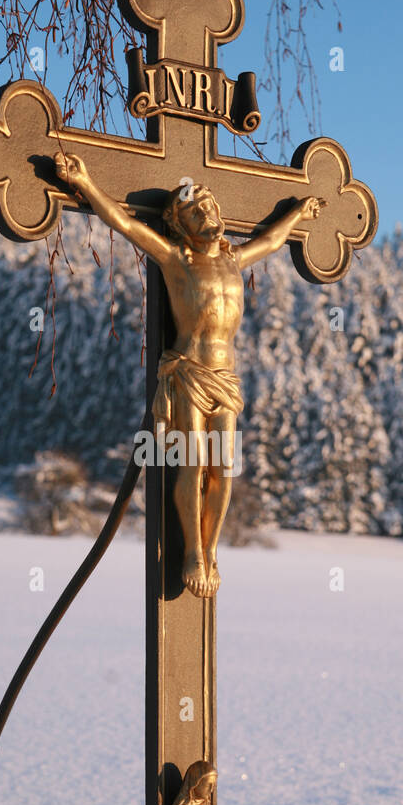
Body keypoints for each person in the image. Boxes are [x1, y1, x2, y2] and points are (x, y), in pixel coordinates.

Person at [54, 151, 324, 595]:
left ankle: (211, 547)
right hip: (189, 373)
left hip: (226, 376)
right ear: (181, 224)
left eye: (210, 206)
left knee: (224, 469)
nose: (208, 213)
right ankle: (193, 551)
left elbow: (273, 241)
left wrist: (296, 213)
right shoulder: (175, 258)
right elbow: (125, 225)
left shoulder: (234, 258)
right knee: (192, 463)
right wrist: (84, 182)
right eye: (196, 211)